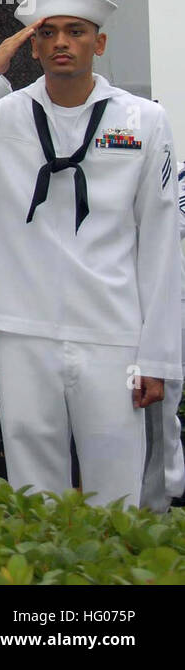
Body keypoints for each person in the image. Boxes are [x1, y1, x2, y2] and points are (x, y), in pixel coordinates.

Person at [0, 0, 180, 506]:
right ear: (32, 48)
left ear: (99, 44)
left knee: (116, 491)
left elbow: (162, 240)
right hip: (23, 330)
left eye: (75, 32)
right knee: (35, 493)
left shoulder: (143, 120)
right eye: (47, 34)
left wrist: (159, 356)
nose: (61, 44)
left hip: (113, 331)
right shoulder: (5, 114)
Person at [141, 159, 185, 511]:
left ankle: (157, 506)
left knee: (161, 412)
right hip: (118, 302)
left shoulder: (176, 175)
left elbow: (172, 225)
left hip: (166, 305)